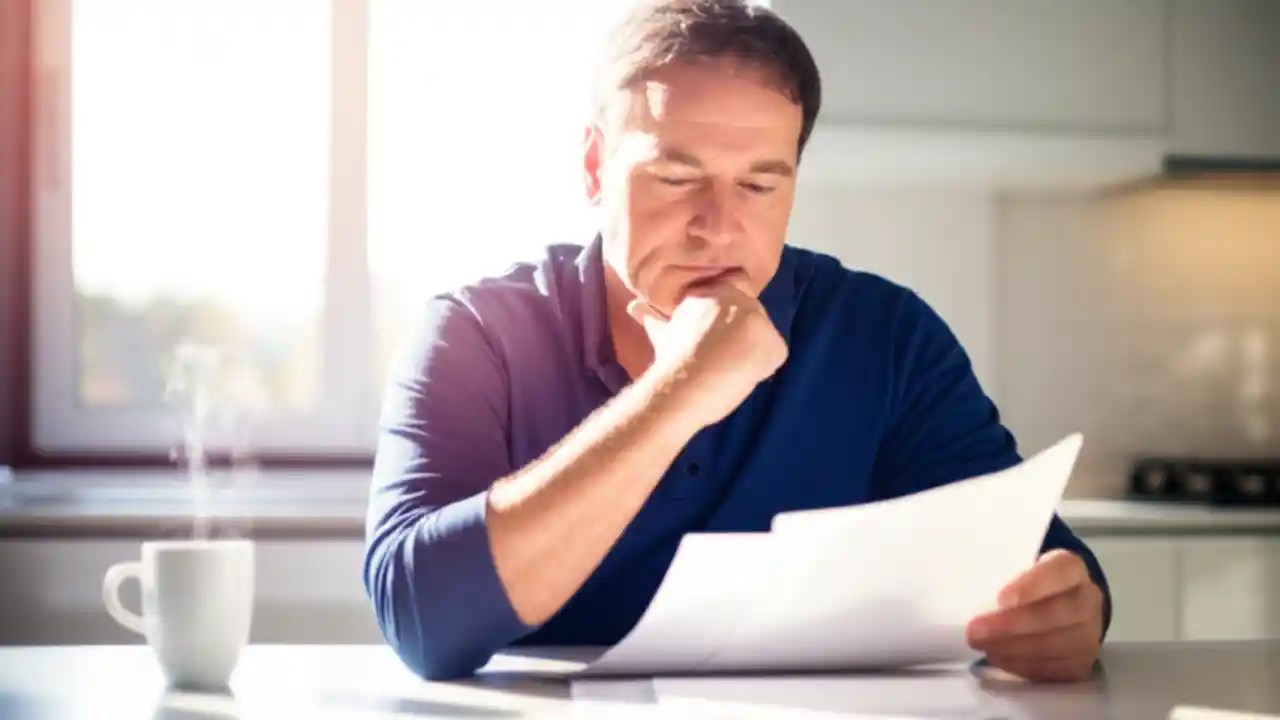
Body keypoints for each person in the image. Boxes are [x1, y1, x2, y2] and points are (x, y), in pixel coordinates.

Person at [363, 0, 1111, 682]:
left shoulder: (885, 337)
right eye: (674, 177)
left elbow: (1037, 558)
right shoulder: (476, 334)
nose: (719, 228)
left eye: (759, 186)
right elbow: (424, 623)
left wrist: (1070, 612)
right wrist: (677, 392)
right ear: (596, 167)